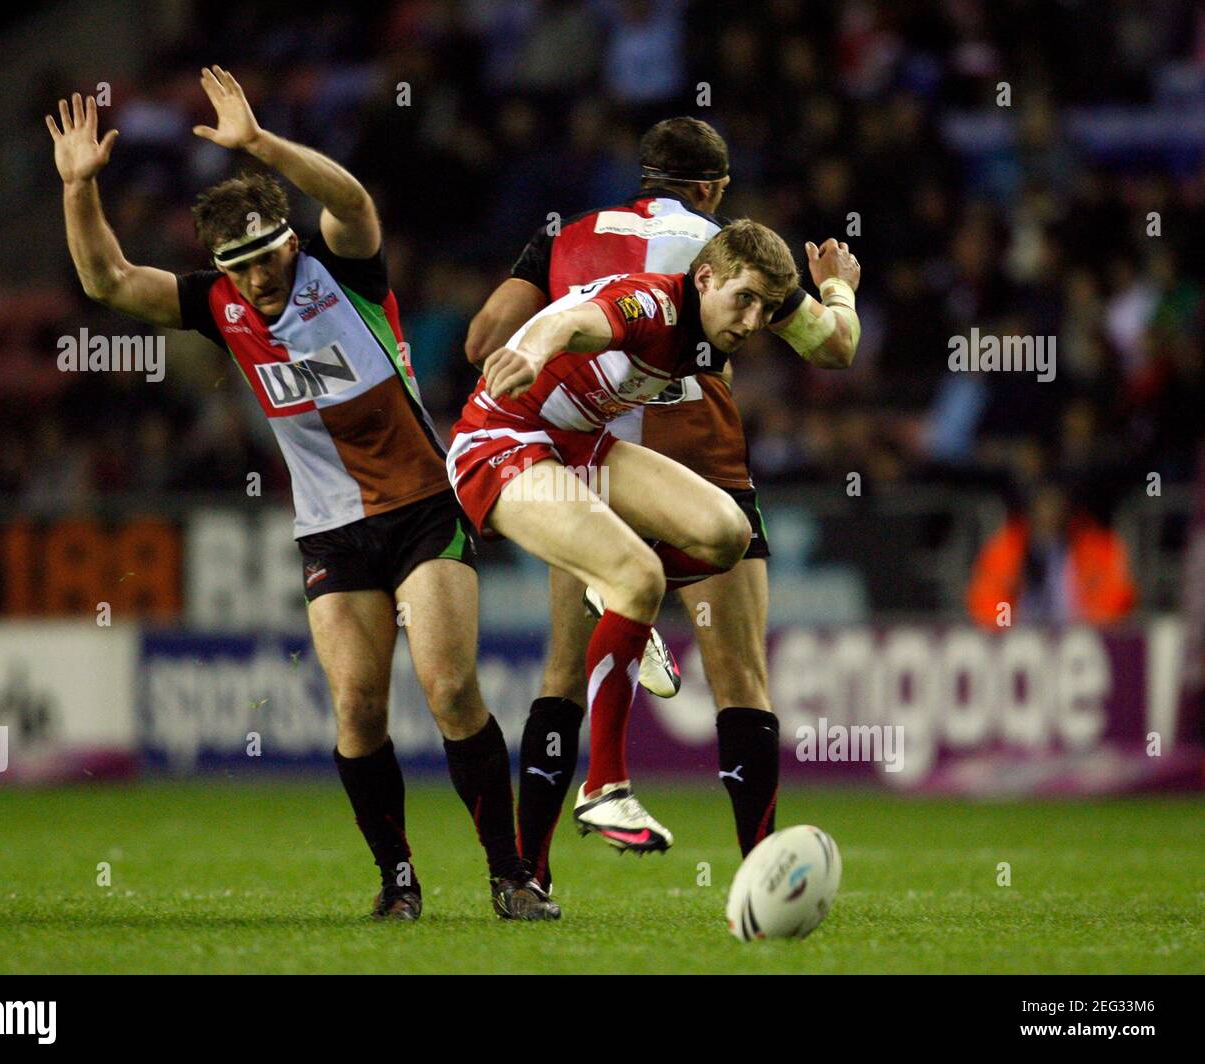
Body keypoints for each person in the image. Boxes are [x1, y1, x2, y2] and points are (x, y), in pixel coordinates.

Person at [46, 66, 558, 921]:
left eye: (262, 258)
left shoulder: (346, 271)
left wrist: (262, 147)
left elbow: (353, 200)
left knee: (449, 690)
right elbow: (106, 280)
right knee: (356, 708)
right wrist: (77, 189)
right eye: (234, 268)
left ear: (289, 242)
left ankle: (510, 875)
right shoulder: (219, 304)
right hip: (331, 534)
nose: (254, 281)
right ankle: (397, 884)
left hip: (424, 510)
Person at [466, 118, 859, 886]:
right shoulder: (733, 258)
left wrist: (534, 356)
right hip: (697, 457)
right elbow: (835, 348)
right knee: (742, 679)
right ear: (714, 190)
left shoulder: (566, 236)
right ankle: (761, 872)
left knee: (560, 675)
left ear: (642, 177)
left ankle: (527, 876)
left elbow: (485, 336)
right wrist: (838, 282)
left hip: (587, 459)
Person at [967, 483, 1137, 626]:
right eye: (1042, 510)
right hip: (1021, 633)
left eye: (1056, 510)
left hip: (1079, 632)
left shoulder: (1095, 547)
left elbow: (1118, 595)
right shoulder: (1006, 549)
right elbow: (984, 600)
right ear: (1030, 514)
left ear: (1069, 513)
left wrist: (1091, 623)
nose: (1049, 517)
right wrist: (1006, 625)